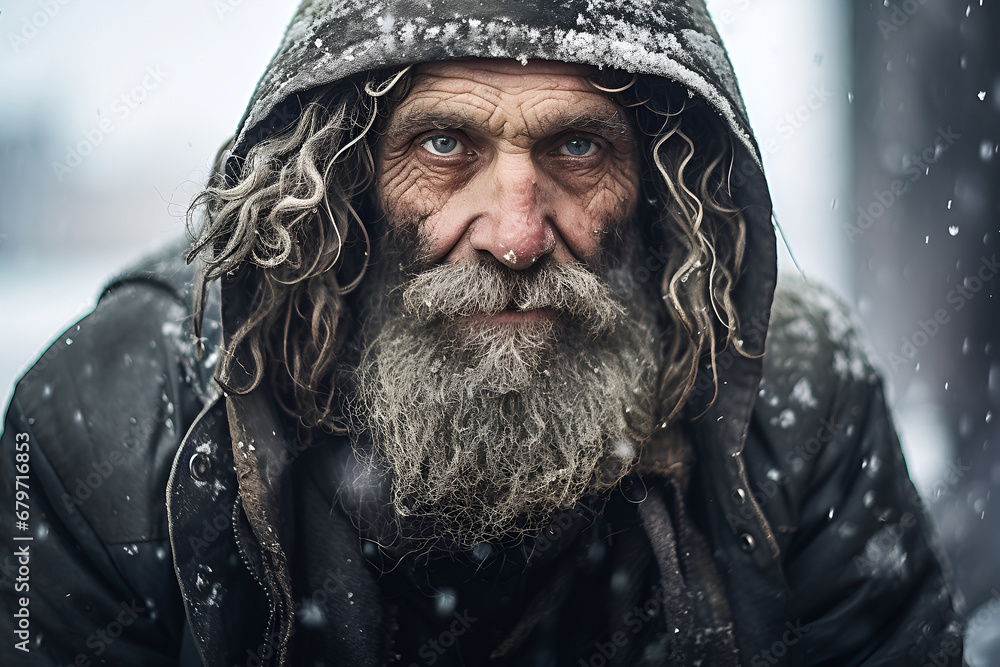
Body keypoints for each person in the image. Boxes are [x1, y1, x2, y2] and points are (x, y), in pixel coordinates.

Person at [0, 1, 964, 665]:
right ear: (343, 183)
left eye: (577, 147)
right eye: (444, 143)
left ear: (662, 192)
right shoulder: (120, 423)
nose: (514, 233)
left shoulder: (793, 403)